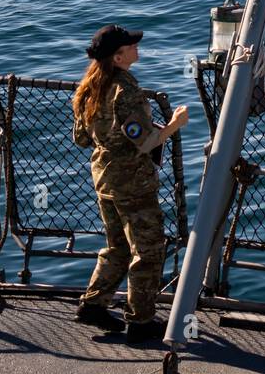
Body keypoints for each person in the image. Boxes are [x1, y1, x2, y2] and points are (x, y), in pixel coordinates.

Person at [71, 24, 188, 342]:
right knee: (148, 251)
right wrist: (174, 125)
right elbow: (145, 141)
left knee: (117, 247)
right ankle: (141, 321)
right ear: (119, 57)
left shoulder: (89, 89)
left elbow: (82, 138)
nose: (138, 49)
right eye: (131, 47)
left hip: (104, 179)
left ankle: (93, 305)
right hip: (132, 185)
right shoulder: (126, 91)